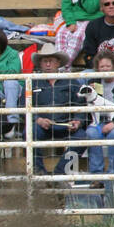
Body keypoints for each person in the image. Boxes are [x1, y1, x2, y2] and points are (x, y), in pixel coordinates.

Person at [30, 48, 88, 176]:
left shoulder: (71, 81)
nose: (48, 64)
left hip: (66, 125)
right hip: (42, 125)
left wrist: (77, 121)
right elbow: (22, 105)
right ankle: (39, 174)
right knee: (30, 132)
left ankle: (60, 172)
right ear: (40, 64)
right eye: (45, 61)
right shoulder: (32, 82)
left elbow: (80, 104)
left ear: (58, 63)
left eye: (51, 61)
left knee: (83, 137)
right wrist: (37, 119)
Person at [81, 46, 114, 180]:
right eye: (102, 66)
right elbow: (86, 105)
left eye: (107, 66)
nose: (105, 69)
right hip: (98, 121)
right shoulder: (93, 82)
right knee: (91, 133)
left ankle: (112, 175)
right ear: (97, 68)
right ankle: (97, 176)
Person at [80, 0, 114, 69]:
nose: (111, 6)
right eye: (107, 4)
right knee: (82, 78)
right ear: (102, 8)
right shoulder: (93, 26)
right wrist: (100, 69)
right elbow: (89, 55)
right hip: (100, 70)